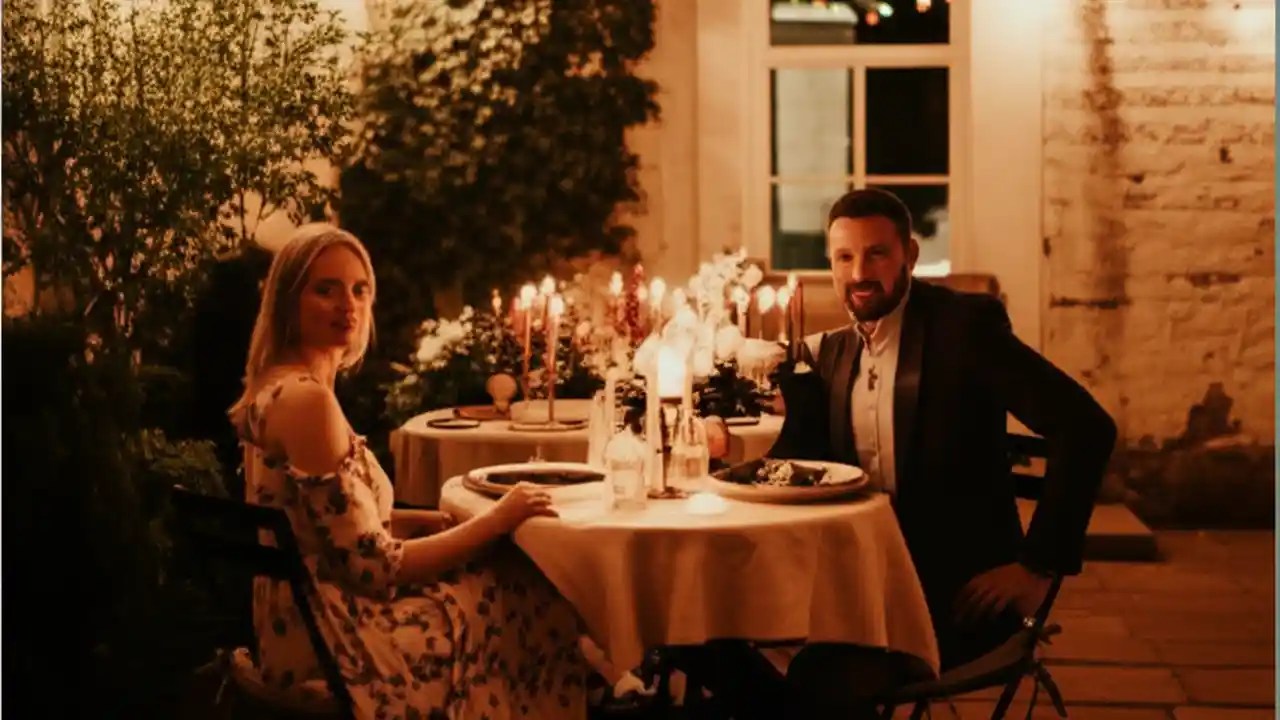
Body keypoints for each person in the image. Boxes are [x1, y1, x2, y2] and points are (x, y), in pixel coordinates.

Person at [769, 188, 1118, 717]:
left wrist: (1037, 565)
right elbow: (803, 467)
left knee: (816, 683)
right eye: (845, 257)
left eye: (877, 253)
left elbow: (1086, 428)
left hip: (952, 598)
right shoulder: (834, 353)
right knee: (709, 638)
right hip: (857, 588)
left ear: (909, 255)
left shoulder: (964, 330)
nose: (859, 272)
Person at [228, 223, 589, 720]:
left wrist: (417, 521)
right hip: (340, 642)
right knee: (527, 593)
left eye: (359, 289)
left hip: (295, 627)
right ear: (288, 301)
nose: (347, 305)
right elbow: (376, 568)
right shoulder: (307, 401)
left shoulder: (278, 386)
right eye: (325, 289)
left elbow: (323, 530)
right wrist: (498, 519)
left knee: (499, 578)